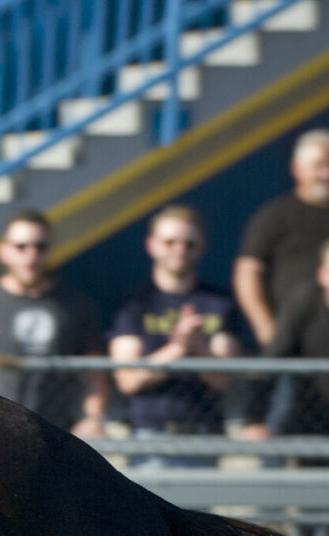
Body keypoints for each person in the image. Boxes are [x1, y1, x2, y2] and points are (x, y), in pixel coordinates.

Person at [0, 210, 106, 438]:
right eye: (21, 247)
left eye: (40, 247)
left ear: (50, 251)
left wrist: (93, 418)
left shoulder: (76, 305)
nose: (31, 255)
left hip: (57, 434)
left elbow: (95, 372)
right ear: (4, 252)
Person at [107, 204, 250, 466]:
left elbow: (222, 379)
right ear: (151, 245)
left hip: (205, 435)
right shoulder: (134, 304)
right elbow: (128, 380)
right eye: (169, 242)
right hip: (148, 436)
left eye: (189, 243)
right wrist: (177, 349)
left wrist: (197, 346)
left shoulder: (220, 303)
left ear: (202, 247)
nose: (180, 250)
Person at [233, 128, 329, 435]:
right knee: (289, 427)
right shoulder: (276, 215)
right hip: (290, 343)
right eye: (319, 165)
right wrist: (267, 329)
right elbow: (248, 272)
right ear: (297, 168)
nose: (325, 174)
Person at [264, 238, 329, 437]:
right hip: (308, 419)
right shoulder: (304, 301)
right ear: (322, 275)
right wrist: (255, 419)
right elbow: (275, 355)